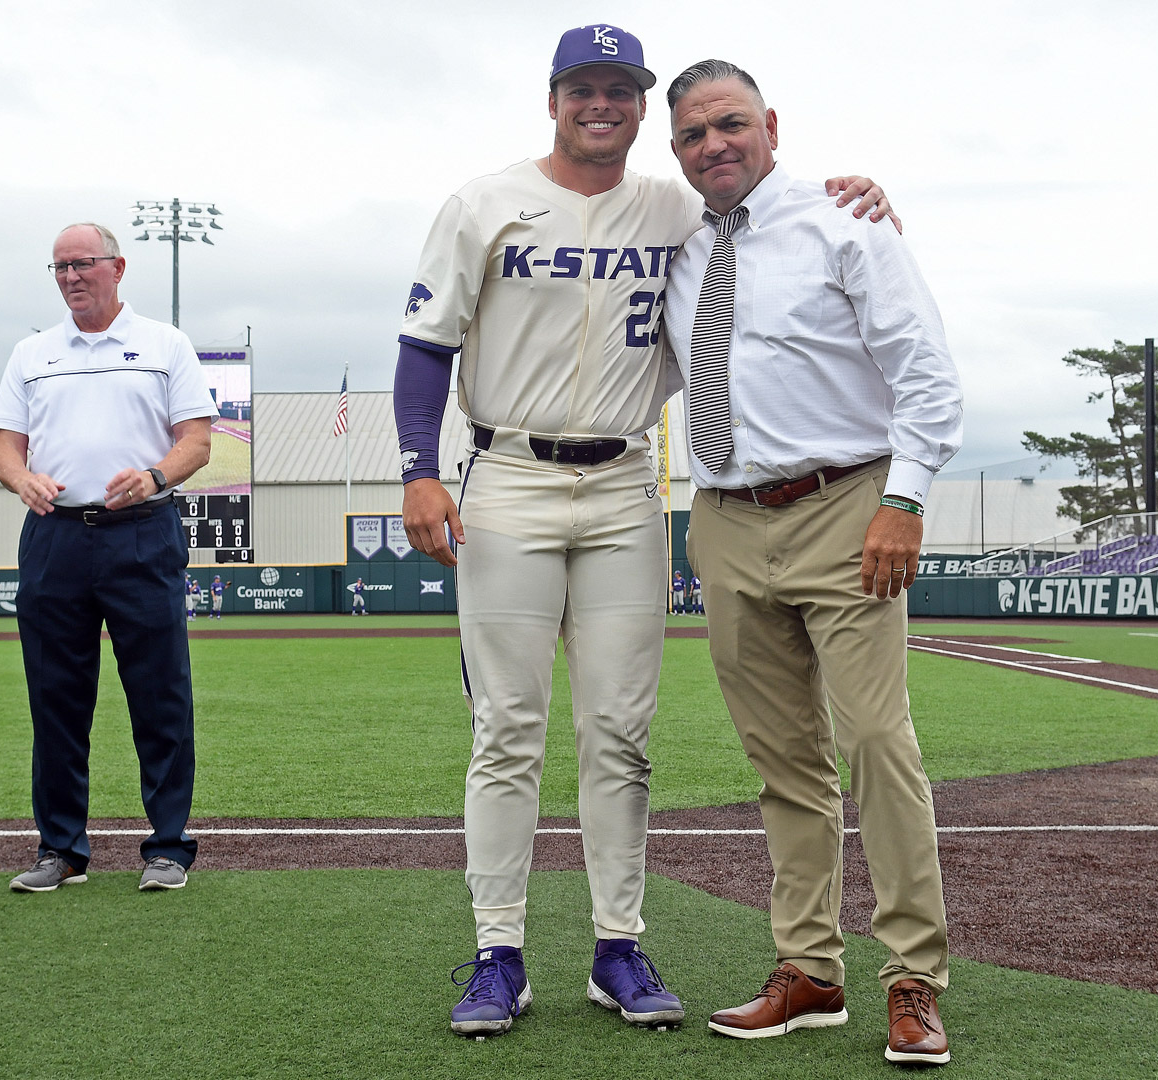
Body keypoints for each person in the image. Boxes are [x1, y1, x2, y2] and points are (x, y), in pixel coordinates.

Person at [394, 25, 896, 1038]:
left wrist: (856, 195)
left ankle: (616, 946)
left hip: (626, 481)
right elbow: (425, 342)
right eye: (584, 87)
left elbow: (766, 203)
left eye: (620, 90)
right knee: (507, 728)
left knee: (620, 732)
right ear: (552, 100)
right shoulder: (483, 203)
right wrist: (417, 469)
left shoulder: (675, 206)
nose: (602, 104)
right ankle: (497, 953)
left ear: (638, 110)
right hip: (508, 475)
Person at [661, 61, 963, 1065]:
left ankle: (913, 975)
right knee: (783, 762)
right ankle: (809, 971)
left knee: (876, 741)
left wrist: (903, 500)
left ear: (772, 126)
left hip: (845, 505)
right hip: (724, 519)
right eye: (694, 133)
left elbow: (926, 371)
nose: (714, 144)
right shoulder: (674, 244)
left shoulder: (846, 221)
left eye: (731, 124)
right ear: (677, 151)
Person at [0, 222, 214, 894]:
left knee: (160, 695)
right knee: (55, 698)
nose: (70, 277)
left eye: (83, 264)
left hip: (141, 532)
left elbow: (198, 441)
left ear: (118, 267)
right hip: (54, 536)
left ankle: (167, 848)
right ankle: (60, 850)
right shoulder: (32, 353)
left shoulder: (165, 345)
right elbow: (4, 446)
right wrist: (21, 478)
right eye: (59, 268)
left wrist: (154, 475)